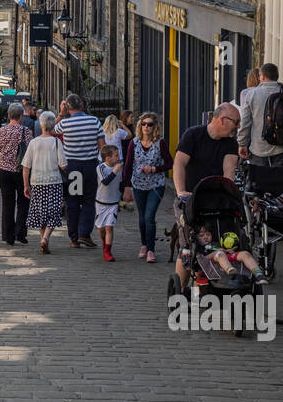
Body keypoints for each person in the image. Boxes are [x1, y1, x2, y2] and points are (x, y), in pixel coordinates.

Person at [172, 102, 241, 290]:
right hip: (190, 200)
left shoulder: (230, 143)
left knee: (217, 240)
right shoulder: (193, 135)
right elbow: (179, 164)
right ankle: (181, 288)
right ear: (222, 120)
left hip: (215, 201)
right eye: (236, 122)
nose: (237, 127)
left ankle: (211, 283)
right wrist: (180, 192)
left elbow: (229, 171)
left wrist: (229, 195)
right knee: (188, 245)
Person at [122, 111, 171, 262]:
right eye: (143, 124)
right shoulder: (134, 143)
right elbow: (128, 165)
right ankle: (144, 244)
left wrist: (155, 169)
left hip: (156, 186)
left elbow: (170, 163)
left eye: (149, 124)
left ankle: (151, 250)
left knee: (150, 217)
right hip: (138, 185)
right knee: (142, 218)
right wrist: (126, 187)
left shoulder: (160, 143)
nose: (146, 127)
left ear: (155, 127)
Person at [54, 94, 101, 249]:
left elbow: (52, 129)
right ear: (81, 105)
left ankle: (74, 238)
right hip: (89, 166)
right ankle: (84, 233)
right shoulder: (94, 121)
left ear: (67, 107)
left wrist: (61, 113)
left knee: (72, 201)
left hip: (72, 167)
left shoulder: (65, 124)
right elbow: (102, 144)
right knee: (88, 200)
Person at [22, 111, 67, 254]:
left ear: (40, 125)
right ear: (53, 125)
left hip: (37, 181)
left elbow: (26, 167)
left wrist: (26, 185)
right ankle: (45, 239)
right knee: (53, 212)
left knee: (41, 212)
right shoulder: (56, 142)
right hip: (54, 181)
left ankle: (44, 239)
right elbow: (63, 165)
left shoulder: (34, 142)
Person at [238, 62, 283, 167]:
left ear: (262, 77)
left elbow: (245, 122)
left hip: (258, 148)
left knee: (260, 181)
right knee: (282, 181)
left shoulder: (251, 94)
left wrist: (242, 143)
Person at [0, 103, 32, 245]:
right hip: (20, 170)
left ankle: (8, 235)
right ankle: (20, 232)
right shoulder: (25, 131)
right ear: (21, 116)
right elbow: (29, 151)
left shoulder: (1, 131)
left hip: (3, 170)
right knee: (23, 202)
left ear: (9, 116)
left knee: (7, 204)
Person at [196, 225, 268, 286]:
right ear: (196, 238)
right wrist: (216, 252)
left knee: (245, 254)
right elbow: (203, 259)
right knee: (220, 254)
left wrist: (229, 251)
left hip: (225, 256)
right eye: (201, 236)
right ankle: (230, 270)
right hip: (213, 260)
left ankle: (259, 275)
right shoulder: (200, 248)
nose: (205, 237)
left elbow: (224, 250)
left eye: (208, 234)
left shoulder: (217, 243)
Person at [95, 146, 124, 262]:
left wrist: (123, 194)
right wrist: (114, 171)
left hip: (113, 202)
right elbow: (105, 182)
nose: (119, 157)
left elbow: (121, 182)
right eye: (116, 155)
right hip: (101, 202)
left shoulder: (119, 168)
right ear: (108, 158)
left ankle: (107, 251)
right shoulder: (101, 168)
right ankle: (104, 242)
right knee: (101, 229)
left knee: (109, 227)